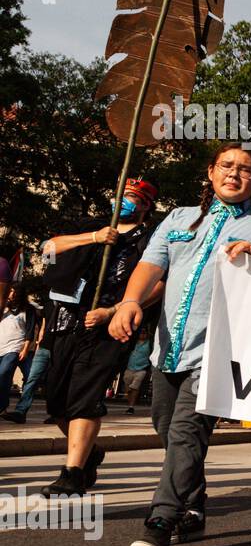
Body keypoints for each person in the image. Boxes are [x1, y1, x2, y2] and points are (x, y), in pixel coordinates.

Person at [110, 145, 251, 546]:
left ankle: (160, 521)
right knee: (166, 428)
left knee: (186, 433)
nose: (234, 174)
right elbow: (151, 266)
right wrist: (129, 302)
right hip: (168, 347)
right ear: (211, 172)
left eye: (245, 170)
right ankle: (193, 503)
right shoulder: (177, 219)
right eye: (226, 166)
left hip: (218, 352)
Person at [38, 179, 162, 498]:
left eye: (132, 198)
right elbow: (47, 251)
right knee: (56, 400)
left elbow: (160, 284)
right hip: (67, 322)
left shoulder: (151, 241)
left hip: (110, 327)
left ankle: (73, 473)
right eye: (120, 195)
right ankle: (88, 451)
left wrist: (113, 311)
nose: (123, 202)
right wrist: (93, 237)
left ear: (146, 205)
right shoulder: (92, 228)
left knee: (84, 395)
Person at [5, 288, 50, 423]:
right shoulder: (5, 308)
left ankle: (56, 412)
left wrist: (30, 347)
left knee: (35, 379)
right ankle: (19, 412)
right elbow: (43, 324)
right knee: (26, 378)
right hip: (14, 348)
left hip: (29, 350)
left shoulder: (29, 309)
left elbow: (32, 329)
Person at [0, 285, 29, 415]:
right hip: (1, 346)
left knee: (4, 373)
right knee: (4, 378)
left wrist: (25, 349)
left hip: (14, 348)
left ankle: (3, 406)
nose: (11, 293)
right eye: (9, 290)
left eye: (13, 291)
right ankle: (2, 406)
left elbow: (30, 331)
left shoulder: (27, 309)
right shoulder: (3, 309)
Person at [121, 325, 153, 414]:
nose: (142, 334)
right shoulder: (132, 343)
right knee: (128, 389)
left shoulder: (150, 344)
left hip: (142, 369)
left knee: (135, 387)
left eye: (144, 332)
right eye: (141, 332)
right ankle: (129, 404)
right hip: (129, 368)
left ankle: (131, 407)